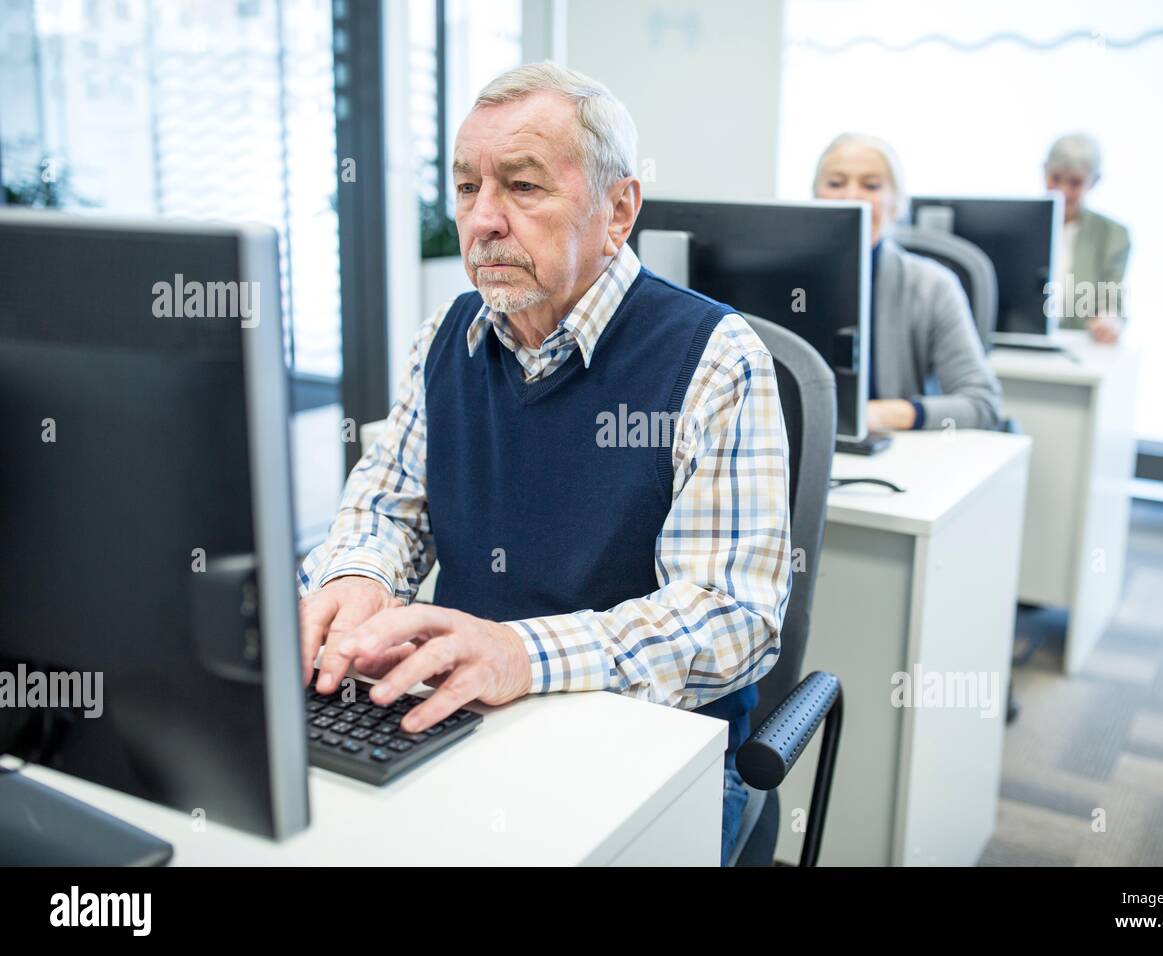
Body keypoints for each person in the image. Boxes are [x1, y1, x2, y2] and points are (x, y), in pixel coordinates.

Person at [297, 62, 791, 865]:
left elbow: (734, 617)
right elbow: (385, 509)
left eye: (522, 188)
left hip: (651, 758)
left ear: (618, 210)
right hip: (467, 721)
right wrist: (358, 577)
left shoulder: (714, 355)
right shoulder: (447, 337)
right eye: (466, 188)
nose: (483, 219)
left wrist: (522, 654)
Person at [813, 133, 1002, 432]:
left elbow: (983, 406)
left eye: (871, 185)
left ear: (897, 203)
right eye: (835, 183)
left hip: (896, 457)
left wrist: (875, 415)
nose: (851, 195)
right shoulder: (787, 283)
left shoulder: (933, 286)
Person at [1044, 132, 1131, 344]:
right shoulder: (1019, 225)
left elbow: (1112, 300)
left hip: (1079, 348)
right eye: (1056, 178)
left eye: (1075, 183)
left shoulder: (1113, 235)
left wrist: (1109, 320)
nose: (1063, 191)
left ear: (1093, 182)